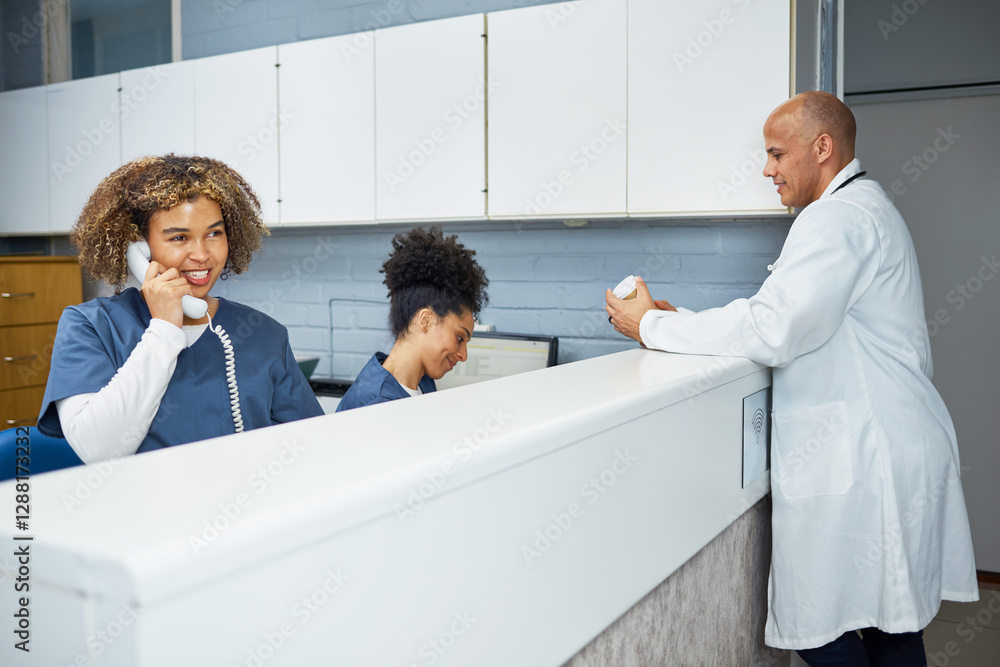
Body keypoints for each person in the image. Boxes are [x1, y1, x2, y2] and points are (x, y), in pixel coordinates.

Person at [606, 91, 978, 665]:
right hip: (889, 446)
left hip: (871, 456)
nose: (766, 169)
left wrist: (652, 324)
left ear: (822, 148)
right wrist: (683, 322)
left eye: (777, 154)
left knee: (821, 634)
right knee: (892, 628)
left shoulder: (839, 219)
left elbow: (776, 327)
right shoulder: (857, 210)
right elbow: (789, 312)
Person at [37, 155, 323, 463]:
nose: (201, 254)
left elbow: (312, 446)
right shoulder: (90, 326)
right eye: (179, 237)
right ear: (139, 246)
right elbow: (96, 450)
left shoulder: (265, 334)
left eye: (214, 233)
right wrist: (163, 329)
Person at [336, 226, 489, 412]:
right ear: (425, 320)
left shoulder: (423, 382)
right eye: (459, 338)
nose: (463, 356)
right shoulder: (376, 404)